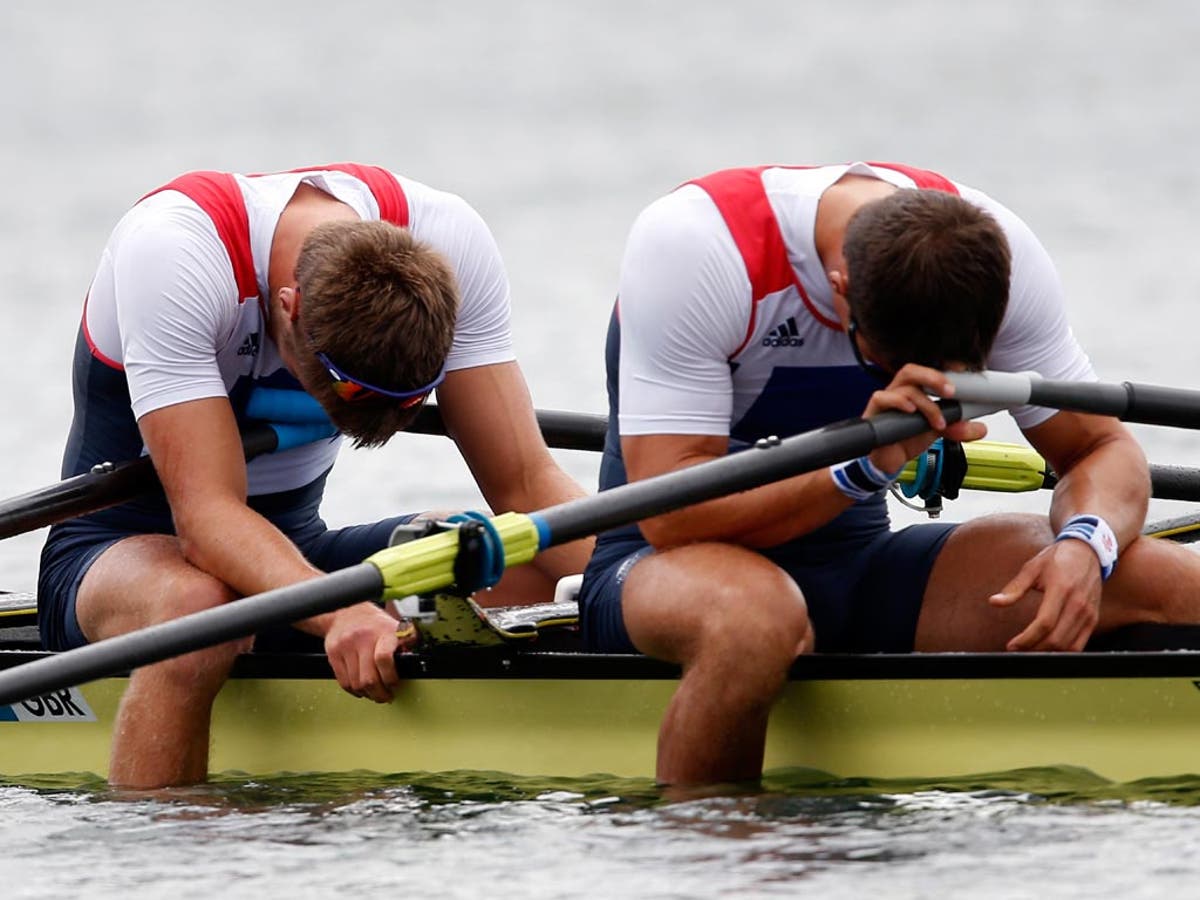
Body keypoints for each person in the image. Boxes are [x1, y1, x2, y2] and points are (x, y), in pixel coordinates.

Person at [579, 161, 1200, 787]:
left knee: (1168, 579)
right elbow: (671, 518)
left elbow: (1100, 446)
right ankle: (713, 862)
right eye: (882, 367)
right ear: (839, 288)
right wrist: (861, 471)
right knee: (754, 620)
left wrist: (1087, 543)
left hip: (858, 569)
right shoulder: (698, 247)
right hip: (667, 573)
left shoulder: (994, 251)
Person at [38, 162, 591, 789]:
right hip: (120, 559)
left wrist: (632, 578)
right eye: (346, 390)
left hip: (293, 555)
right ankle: (169, 859)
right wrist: (338, 616)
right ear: (289, 308)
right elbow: (208, 520)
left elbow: (526, 481)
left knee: (490, 553)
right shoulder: (177, 250)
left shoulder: (450, 239)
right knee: (198, 607)